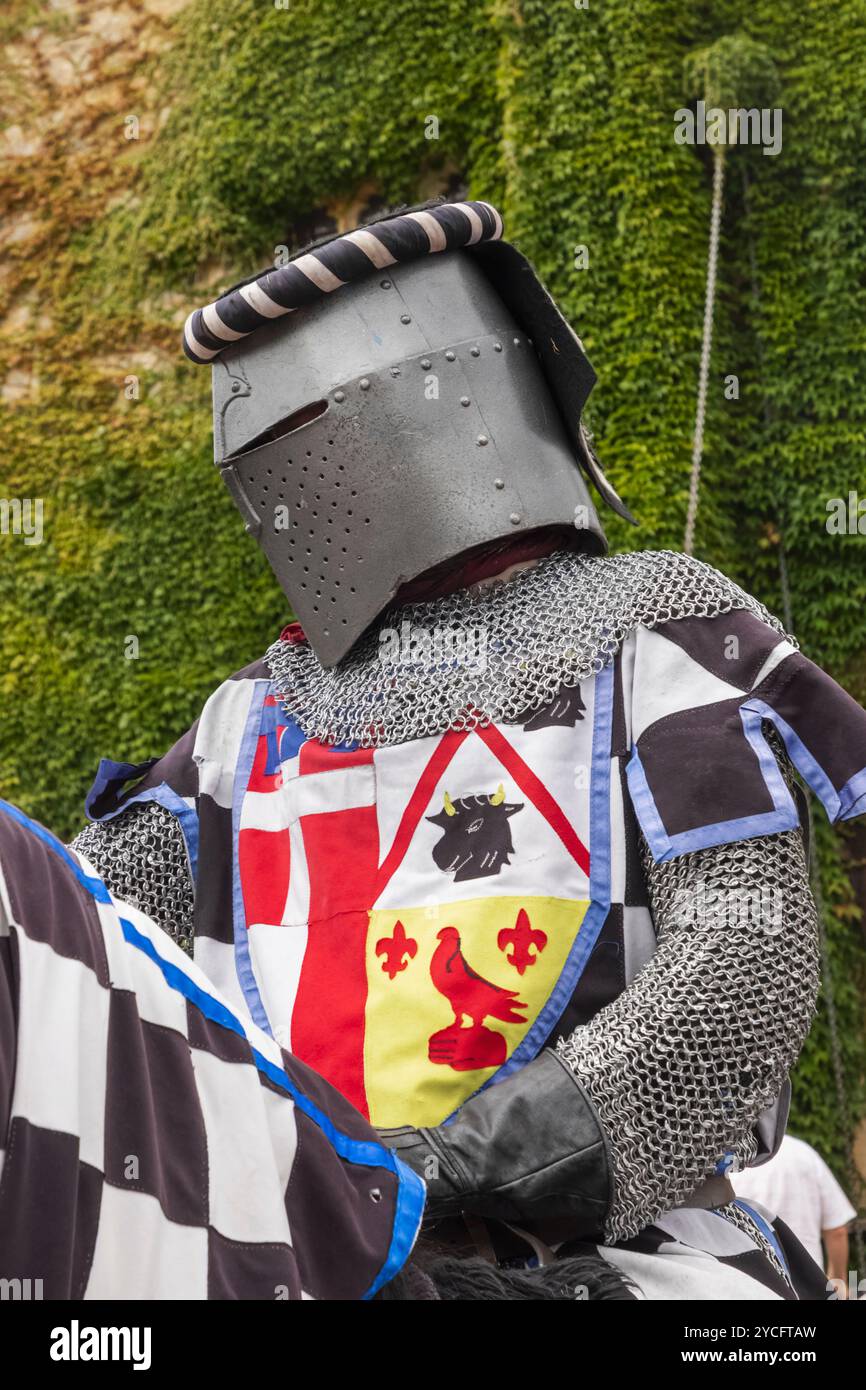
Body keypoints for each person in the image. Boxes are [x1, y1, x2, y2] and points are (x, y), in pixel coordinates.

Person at [71, 198, 866, 1298]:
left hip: (635, 1259)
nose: (297, 487)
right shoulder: (237, 727)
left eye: (305, 438)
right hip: (310, 1267)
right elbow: (69, 947)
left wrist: (433, 1170)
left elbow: (736, 972)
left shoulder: (654, 638)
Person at [732, 1133, 858, 1291]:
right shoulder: (805, 1154)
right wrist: (837, 1280)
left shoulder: (733, 1161)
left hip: (755, 1285)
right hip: (809, 1284)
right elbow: (836, 1230)